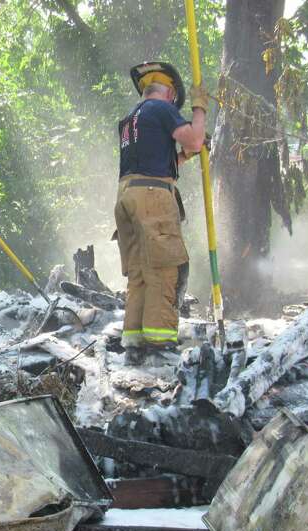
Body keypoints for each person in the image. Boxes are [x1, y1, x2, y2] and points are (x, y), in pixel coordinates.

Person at [114, 62, 208, 365]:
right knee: (164, 267)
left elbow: (156, 161)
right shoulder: (162, 108)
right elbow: (194, 138)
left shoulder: (131, 119)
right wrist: (199, 109)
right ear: (168, 92)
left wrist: (183, 156)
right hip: (153, 197)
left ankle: (134, 339)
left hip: (128, 195)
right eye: (175, 100)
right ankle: (159, 344)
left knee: (140, 270)